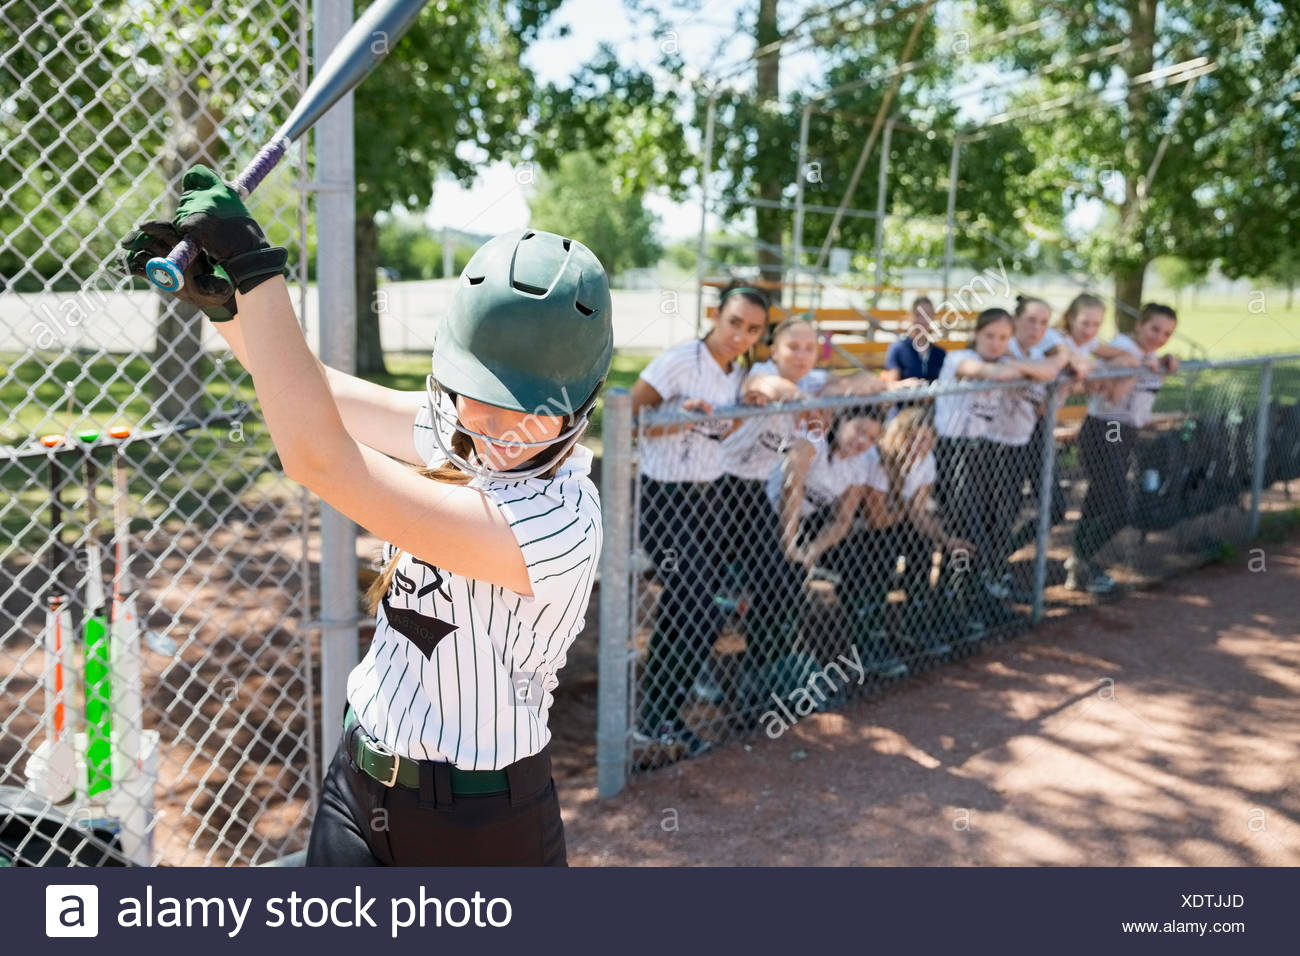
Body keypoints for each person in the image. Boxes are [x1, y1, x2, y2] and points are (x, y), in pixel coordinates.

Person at [123, 169, 612, 866]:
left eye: (531, 410)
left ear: (580, 404)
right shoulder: (458, 427)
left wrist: (262, 271)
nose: (498, 428)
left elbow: (322, 460)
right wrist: (233, 310)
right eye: (480, 395)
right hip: (358, 786)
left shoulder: (560, 521)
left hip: (479, 826)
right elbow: (314, 396)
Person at [629, 281, 769, 755]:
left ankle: (661, 719)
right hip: (665, 498)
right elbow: (627, 414)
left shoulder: (737, 370)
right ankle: (653, 718)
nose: (741, 336)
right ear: (715, 315)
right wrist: (677, 414)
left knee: (688, 610)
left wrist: (745, 412)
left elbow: (718, 429)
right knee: (698, 609)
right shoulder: (679, 361)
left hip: (709, 499)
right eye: (735, 323)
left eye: (753, 329)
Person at [932, 307, 1059, 636]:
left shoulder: (1005, 361)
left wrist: (1018, 365)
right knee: (965, 529)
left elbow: (1051, 370)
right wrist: (1018, 367)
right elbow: (988, 372)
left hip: (983, 452)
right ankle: (949, 603)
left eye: (1003, 338)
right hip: (953, 452)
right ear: (976, 334)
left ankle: (974, 597)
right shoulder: (956, 358)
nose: (996, 343)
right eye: (990, 336)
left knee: (990, 526)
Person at [761, 409, 892, 684]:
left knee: (863, 561)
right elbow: (790, 491)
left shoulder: (859, 463)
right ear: (843, 422)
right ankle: (770, 667)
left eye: (870, 437)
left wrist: (812, 551)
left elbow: (843, 519)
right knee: (786, 577)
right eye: (858, 430)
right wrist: (791, 544)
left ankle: (857, 650)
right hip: (766, 516)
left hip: (807, 522)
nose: (862, 441)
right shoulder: (815, 441)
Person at [1066, 303, 1180, 594]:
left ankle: (1080, 565)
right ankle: (1080, 560)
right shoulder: (1122, 348)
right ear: (1139, 324)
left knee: (1097, 501)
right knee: (1119, 507)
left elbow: (1145, 397)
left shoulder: (1148, 353)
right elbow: (1113, 398)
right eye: (1154, 329)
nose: (1159, 337)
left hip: (1125, 434)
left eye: (1167, 333)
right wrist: (1138, 367)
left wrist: (1163, 363)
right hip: (1103, 430)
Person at [858, 407, 973, 661]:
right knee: (884, 547)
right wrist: (907, 509)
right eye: (911, 438)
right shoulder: (879, 461)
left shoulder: (927, 461)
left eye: (925, 439)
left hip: (895, 520)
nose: (919, 445)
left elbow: (917, 513)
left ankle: (914, 624)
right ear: (897, 437)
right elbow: (876, 519)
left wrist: (945, 540)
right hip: (860, 529)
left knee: (922, 542)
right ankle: (870, 637)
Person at [992, 296, 1093, 585]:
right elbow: (1048, 368)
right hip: (1001, 440)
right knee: (1003, 510)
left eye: (1043, 322)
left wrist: (1061, 360)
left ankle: (999, 557)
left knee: (1055, 506)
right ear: (1015, 320)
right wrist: (1055, 364)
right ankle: (987, 573)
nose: (1037, 327)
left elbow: (1078, 362)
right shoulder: (1005, 344)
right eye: (1030, 320)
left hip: (1035, 431)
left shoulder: (1043, 342)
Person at [883, 296, 947, 384]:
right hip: (906, 397)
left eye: (927, 315)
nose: (922, 320)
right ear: (910, 316)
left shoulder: (939, 353)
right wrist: (905, 384)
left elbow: (946, 383)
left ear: (932, 317)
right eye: (918, 315)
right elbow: (890, 385)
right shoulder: (897, 349)